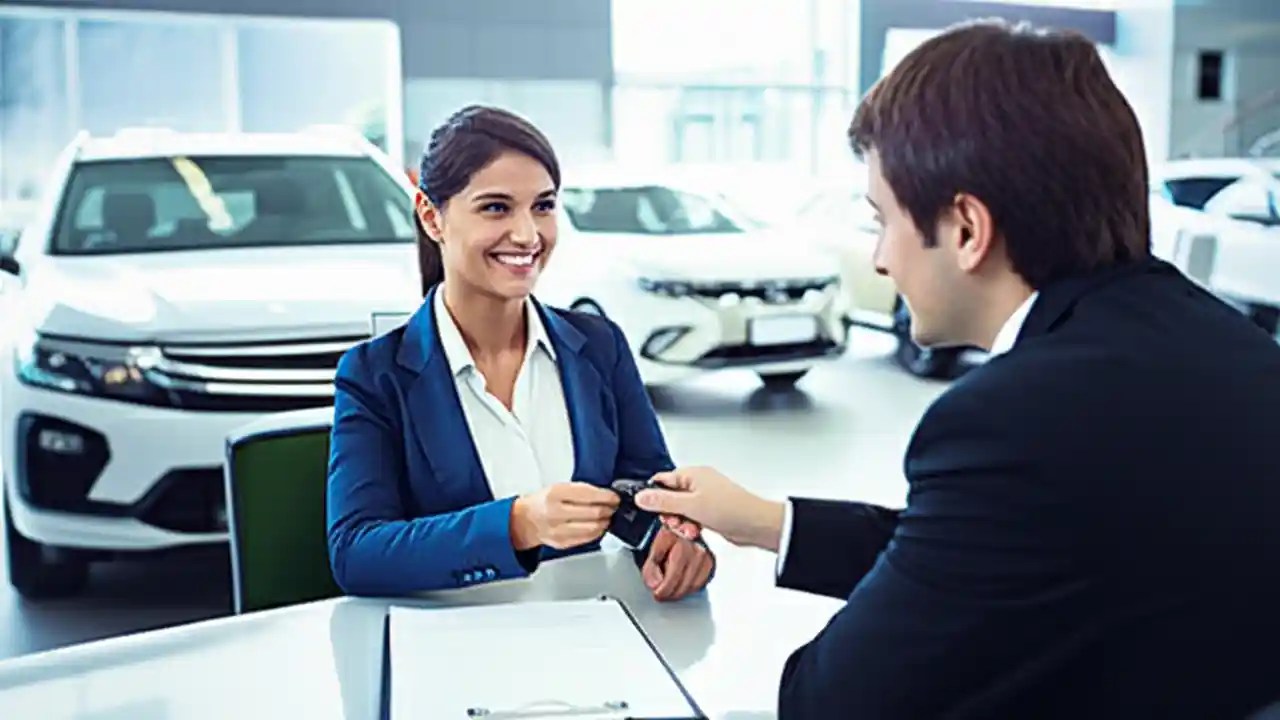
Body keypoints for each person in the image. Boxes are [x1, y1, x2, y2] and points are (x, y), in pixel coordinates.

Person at [634, 20, 1280, 719]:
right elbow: (992, 549)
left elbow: (833, 701)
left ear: (967, 230)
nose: (880, 258)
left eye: (881, 219)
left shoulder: (1016, 418)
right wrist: (763, 521)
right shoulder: (1231, 349)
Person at [326, 105, 713, 600]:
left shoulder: (599, 346)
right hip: (456, 647)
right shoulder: (374, 374)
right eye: (496, 207)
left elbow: (650, 495)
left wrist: (677, 541)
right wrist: (517, 524)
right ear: (432, 217)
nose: (529, 235)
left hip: (593, 637)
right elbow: (356, 552)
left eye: (543, 206)